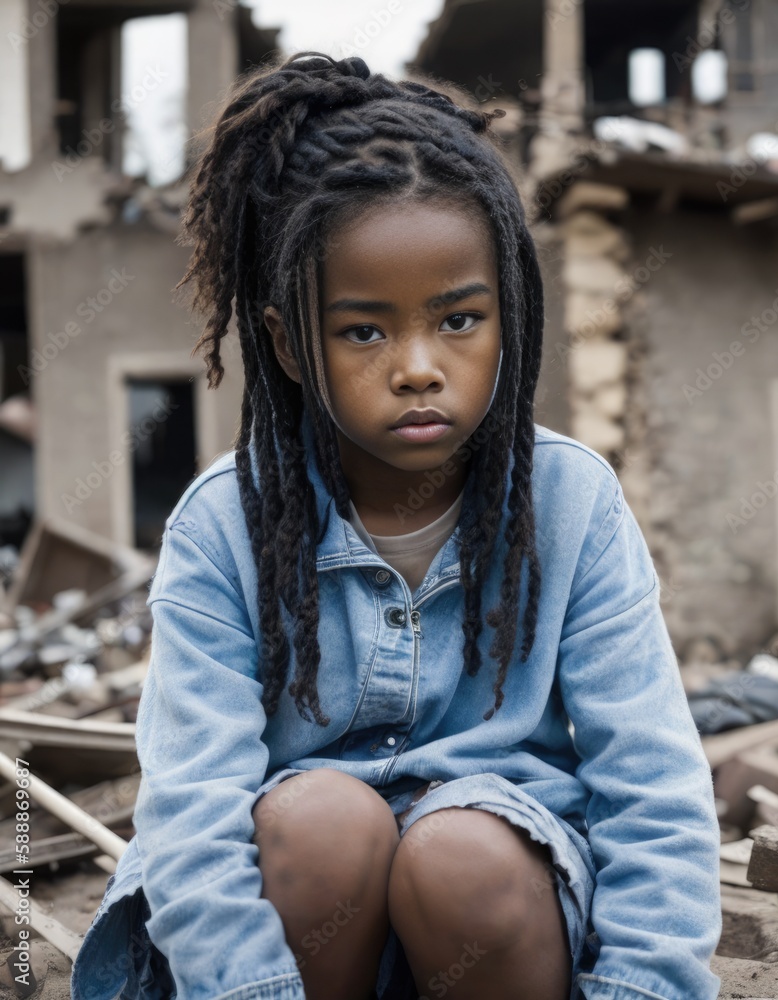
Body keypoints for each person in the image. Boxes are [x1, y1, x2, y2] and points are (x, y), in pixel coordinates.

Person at [69, 51, 722, 1000]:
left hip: (499, 911)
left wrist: (647, 989)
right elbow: (193, 819)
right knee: (321, 823)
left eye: (459, 319)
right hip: (287, 930)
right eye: (365, 331)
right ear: (289, 343)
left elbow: (654, 787)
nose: (418, 366)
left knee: (461, 855)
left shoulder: (572, 505)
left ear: (511, 317)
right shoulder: (223, 527)